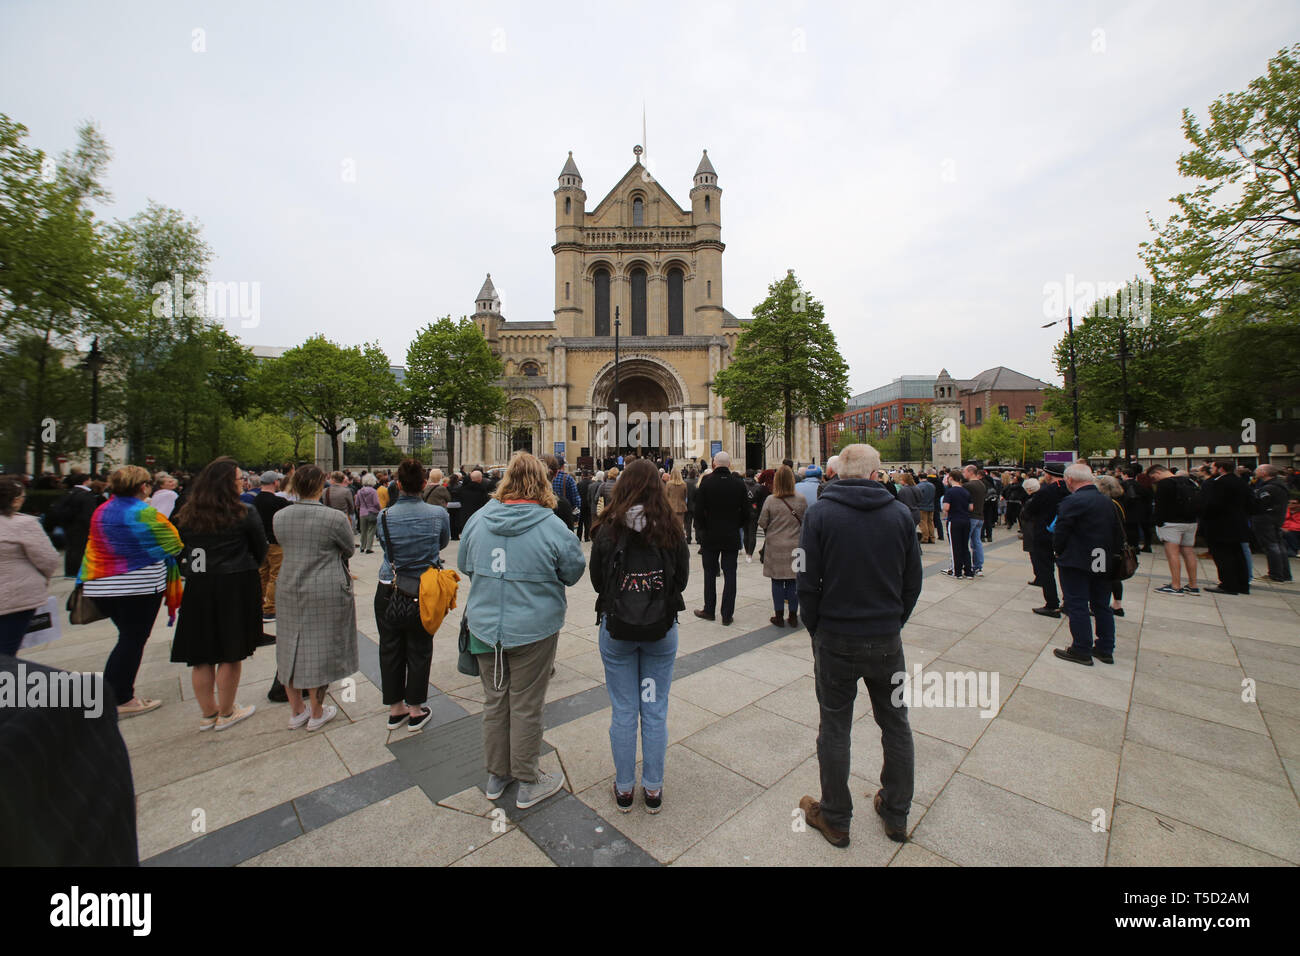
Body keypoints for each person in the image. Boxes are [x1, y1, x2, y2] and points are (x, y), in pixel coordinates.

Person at [796, 443, 922, 848]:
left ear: (837, 473)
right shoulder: (900, 514)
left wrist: (816, 627)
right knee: (896, 724)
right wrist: (893, 621)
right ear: (875, 474)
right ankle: (896, 812)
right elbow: (913, 579)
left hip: (835, 637)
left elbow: (804, 576)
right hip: (886, 639)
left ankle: (835, 816)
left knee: (834, 726)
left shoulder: (819, 514)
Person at [458, 452, 586, 809]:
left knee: (495, 702)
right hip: (533, 629)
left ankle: (497, 775)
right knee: (527, 705)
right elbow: (574, 572)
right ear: (542, 482)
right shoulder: (551, 524)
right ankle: (528, 779)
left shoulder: (479, 519)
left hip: (485, 628)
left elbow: (466, 564)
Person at [589, 459, 689, 814]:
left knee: (624, 709)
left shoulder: (607, 529)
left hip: (617, 631)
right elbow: (682, 581)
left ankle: (624, 788)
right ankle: (654, 788)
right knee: (655, 708)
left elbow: (598, 582)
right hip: (660, 631)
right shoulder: (672, 529)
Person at [78, 466, 184, 718]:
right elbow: (174, 544)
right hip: (138, 587)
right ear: (142, 487)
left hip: (100, 584)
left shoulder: (101, 511)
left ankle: (115, 690)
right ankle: (121, 695)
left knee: (127, 637)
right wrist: (143, 554)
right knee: (132, 640)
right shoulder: (145, 513)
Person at [170, 458, 267, 731]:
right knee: (230, 651)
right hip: (235, 583)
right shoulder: (244, 512)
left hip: (200, 585)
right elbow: (259, 549)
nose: (242, 482)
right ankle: (227, 710)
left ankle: (208, 713)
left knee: (201, 654)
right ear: (226, 483)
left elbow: (180, 549)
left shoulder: (189, 513)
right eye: (238, 479)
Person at [273, 465, 358, 731]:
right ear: (321, 486)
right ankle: (317, 711)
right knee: (320, 647)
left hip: (288, 584)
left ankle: (297, 710)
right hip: (324, 586)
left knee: (288, 644)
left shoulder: (280, 516)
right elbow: (348, 549)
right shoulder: (332, 518)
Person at [375, 459, 450, 732]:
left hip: (389, 585)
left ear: (397, 484)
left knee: (389, 647)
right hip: (423, 587)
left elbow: (383, 544)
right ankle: (416, 709)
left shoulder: (384, 516)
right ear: (423, 484)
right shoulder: (438, 514)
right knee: (420, 647)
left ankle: (396, 710)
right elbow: (442, 542)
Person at [1052, 464, 1125, 666]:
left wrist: (1059, 551)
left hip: (1077, 558)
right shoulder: (1107, 501)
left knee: (1077, 603)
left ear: (1069, 480)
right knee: (1101, 604)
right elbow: (1118, 531)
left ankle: (1081, 648)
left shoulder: (1073, 501)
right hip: (1101, 557)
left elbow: (1062, 531)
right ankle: (1105, 647)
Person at [0, 477, 60, 656]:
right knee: (7, 649)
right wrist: (43, 578)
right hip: (16, 596)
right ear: (16, 500)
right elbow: (48, 559)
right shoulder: (23, 524)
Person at [693, 451, 749, 626]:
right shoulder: (739, 484)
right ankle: (727, 614)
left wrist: (702, 530)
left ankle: (709, 610)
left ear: (714, 464)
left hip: (710, 536)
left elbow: (698, 511)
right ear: (730, 464)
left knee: (710, 574)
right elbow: (747, 514)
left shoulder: (706, 483)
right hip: (731, 535)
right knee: (730, 574)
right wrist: (735, 525)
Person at [758, 464, 808, 627]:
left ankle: (779, 615)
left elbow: (762, 522)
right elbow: (806, 521)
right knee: (794, 582)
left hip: (776, 546)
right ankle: (793, 615)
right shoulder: (801, 499)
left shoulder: (771, 500)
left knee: (777, 582)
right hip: (797, 546)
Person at [1198, 460, 1253, 595]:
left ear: (1220, 469)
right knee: (1237, 554)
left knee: (1223, 556)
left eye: (1213, 467)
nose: (1211, 470)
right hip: (1239, 524)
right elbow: (1251, 503)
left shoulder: (1219, 483)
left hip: (1221, 525)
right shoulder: (1241, 482)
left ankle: (1228, 584)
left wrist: (1204, 516)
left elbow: (1213, 505)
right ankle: (1242, 584)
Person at [1021, 462, 1069, 615]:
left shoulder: (1046, 491)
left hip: (1045, 534)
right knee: (1067, 570)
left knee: (1046, 570)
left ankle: (1052, 603)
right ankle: (1069, 601)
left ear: (1048, 474)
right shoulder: (1071, 489)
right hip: (1067, 534)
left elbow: (1029, 511)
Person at [1147, 463, 1202, 594]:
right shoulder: (1189, 481)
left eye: (1153, 477)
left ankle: (1175, 585)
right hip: (1191, 521)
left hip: (1171, 522)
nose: (1153, 480)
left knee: (1172, 553)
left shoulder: (1164, 484)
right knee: (1188, 552)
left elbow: (1160, 506)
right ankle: (1193, 585)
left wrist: (1158, 522)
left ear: (1158, 472)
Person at [48, 474, 100, 577]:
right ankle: (79, 570)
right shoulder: (86, 495)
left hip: (69, 526)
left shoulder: (70, 492)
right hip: (82, 527)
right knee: (81, 549)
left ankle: (70, 571)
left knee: (71, 549)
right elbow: (88, 514)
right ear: (86, 481)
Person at [253, 471, 289, 621]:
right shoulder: (277, 502)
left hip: (260, 543)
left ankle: (259, 604)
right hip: (275, 542)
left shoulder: (254, 501)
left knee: (262, 574)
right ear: (275, 482)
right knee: (275, 575)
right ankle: (270, 608)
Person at [1096, 474, 1128, 618]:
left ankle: (1100, 604)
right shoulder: (1119, 502)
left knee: (1101, 576)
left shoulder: (1106, 504)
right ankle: (1117, 603)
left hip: (1104, 546)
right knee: (1114, 575)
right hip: (1116, 545)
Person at [1253, 465, 1292, 582]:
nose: (1256, 472)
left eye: (1258, 470)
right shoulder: (1280, 485)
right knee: (1279, 545)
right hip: (1277, 518)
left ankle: (1275, 574)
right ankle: (1284, 573)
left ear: (1264, 473)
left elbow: (1259, 504)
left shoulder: (1268, 488)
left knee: (1271, 546)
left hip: (1266, 520)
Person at [942, 470, 974, 579]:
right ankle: (968, 571)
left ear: (951, 478)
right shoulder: (966, 492)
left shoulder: (950, 492)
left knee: (955, 546)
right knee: (965, 546)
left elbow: (946, 507)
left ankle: (957, 571)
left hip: (954, 520)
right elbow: (971, 507)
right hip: (966, 520)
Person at [962, 465, 987, 574]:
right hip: (980, 516)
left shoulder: (968, 486)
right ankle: (978, 566)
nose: (963, 474)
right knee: (977, 542)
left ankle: (963, 564)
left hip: (971, 516)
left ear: (970, 472)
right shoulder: (982, 484)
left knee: (963, 542)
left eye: (964, 472)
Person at [742, 468, 768, 563]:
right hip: (754, 512)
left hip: (743, 512)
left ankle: (747, 552)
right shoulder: (759, 487)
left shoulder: (741, 485)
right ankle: (750, 554)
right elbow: (761, 502)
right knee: (752, 533)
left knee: (745, 533)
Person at [355, 473, 381, 553]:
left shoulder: (359, 491)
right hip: (372, 512)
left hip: (362, 512)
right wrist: (379, 509)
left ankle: (362, 546)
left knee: (363, 530)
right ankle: (369, 547)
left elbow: (357, 503)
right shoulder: (373, 491)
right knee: (371, 530)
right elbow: (376, 503)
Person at [665, 467, 688, 541]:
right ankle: (679, 539)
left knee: (671, 525)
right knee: (680, 525)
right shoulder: (684, 484)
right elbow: (685, 496)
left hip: (671, 507)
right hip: (681, 506)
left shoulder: (668, 484)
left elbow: (666, 495)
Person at [916, 472, 936, 543]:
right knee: (930, 522)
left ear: (919, 478)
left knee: (923, 522)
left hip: (922, 506)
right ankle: (932, 537)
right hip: (931, 505)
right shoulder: (932, 485)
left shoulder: (919, 486)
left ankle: (925, 537)